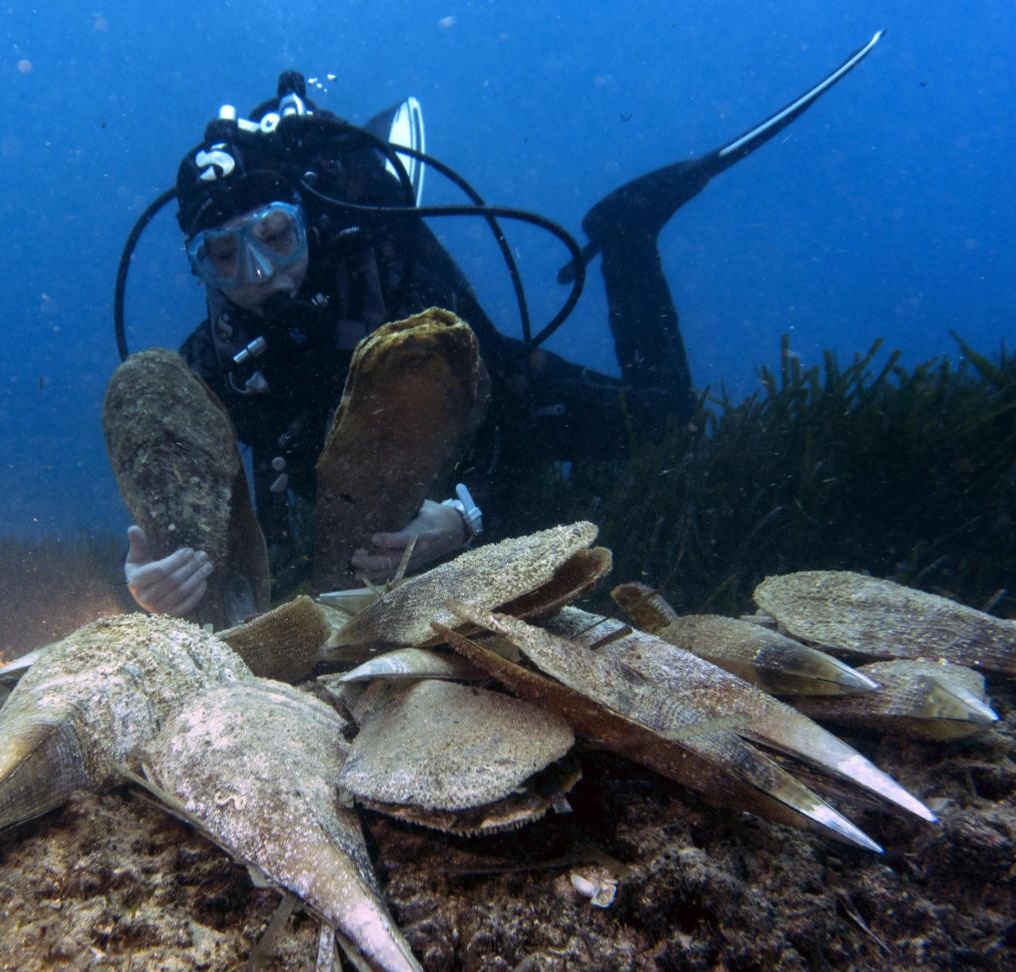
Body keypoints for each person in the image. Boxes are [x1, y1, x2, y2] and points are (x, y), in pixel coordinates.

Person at [114, 33, 884, 618]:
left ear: (307, 221)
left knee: (666, 419)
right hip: (366, 492)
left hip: (494, 410)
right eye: (224, 256)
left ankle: (627, 234)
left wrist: (465, 513)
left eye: (276, 236)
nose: (259, 274)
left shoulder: (389, 263)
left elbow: (501, 390)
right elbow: (196, 481)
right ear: (200, 267)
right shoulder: (216, 358)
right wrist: (152, 570)